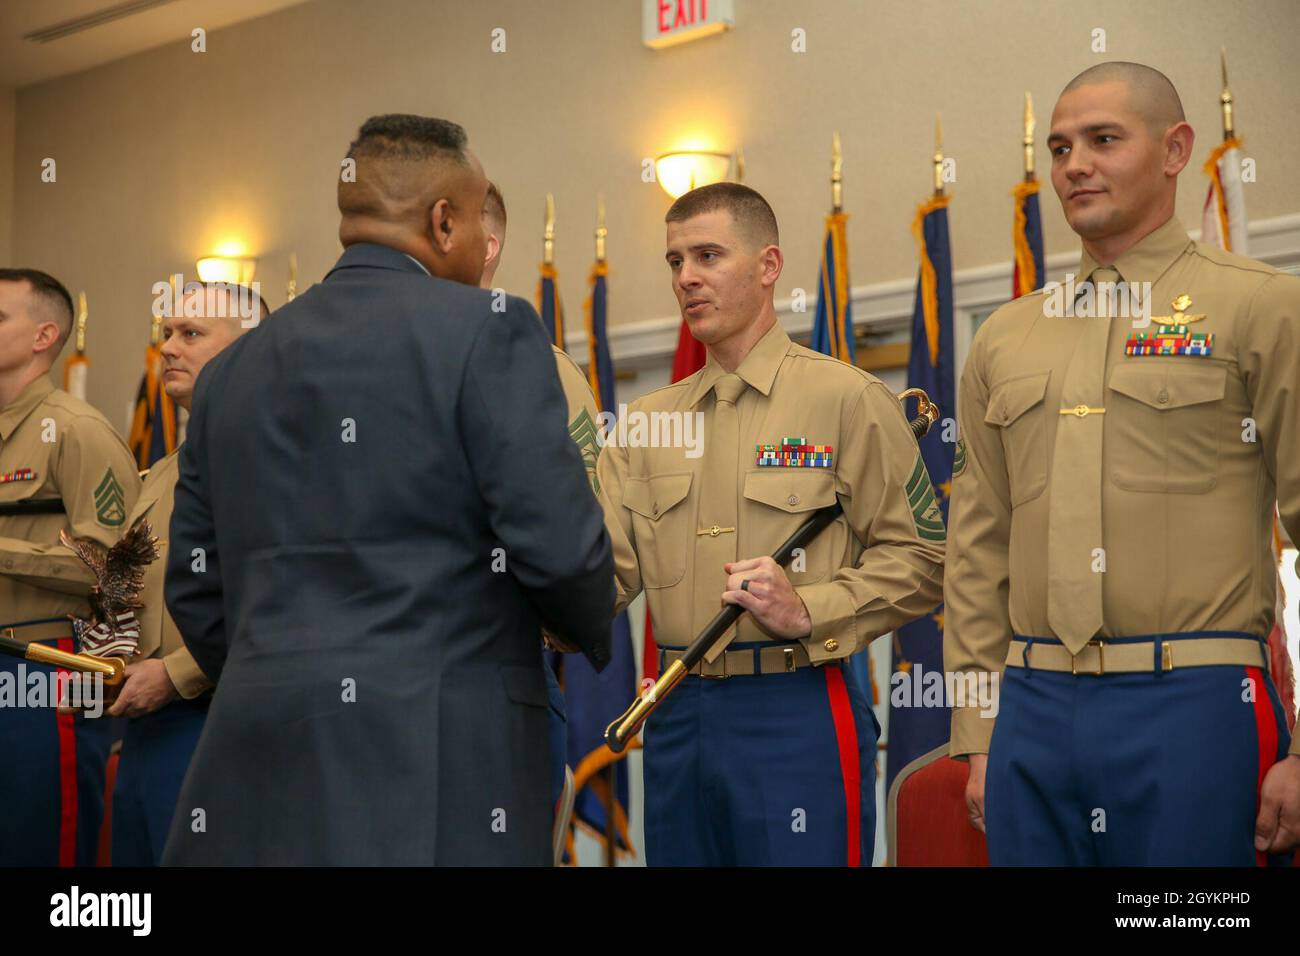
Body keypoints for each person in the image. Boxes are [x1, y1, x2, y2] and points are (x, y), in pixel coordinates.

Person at [160, 114, 613, 866]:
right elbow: (561, 547)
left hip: (256, 747)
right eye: (473, 223)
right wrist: (583, 624)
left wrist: (279, 668)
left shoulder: (231, 374)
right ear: (444, 221)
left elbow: (195, 585)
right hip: (435, 752)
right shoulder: (488, 330)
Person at [945, 61, 1300, 865]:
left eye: (1104, 140)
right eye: (1060, 147)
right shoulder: (1006, 336)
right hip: (1031, 706)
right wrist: (975, 730)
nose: (1075, 165)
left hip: (1195, 700)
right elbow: (976, 555)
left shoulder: (1262, 305)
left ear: (1176, 149)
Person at [596, 182, 946, 866]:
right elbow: (602, 577)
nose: (686, 277)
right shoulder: (643, 424)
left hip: (798, 705)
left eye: (707, 255)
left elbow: (925, 558)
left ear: (768, 266)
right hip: (677, 712)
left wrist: (810, 607)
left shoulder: (847, 399)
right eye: (674, 262)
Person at [107, 281, 267, 866]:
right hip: (144, 722)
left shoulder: (269, 459)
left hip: (219, 720)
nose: (169, 347)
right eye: (167, 333)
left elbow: (275, 598)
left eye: (191, 334)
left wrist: (177, 675)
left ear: (249, 348)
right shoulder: (164, 471)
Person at [0, 267, 141, 865]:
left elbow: (116, 571)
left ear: (44, 335)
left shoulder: (76, 431)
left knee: (43, 842)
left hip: (49, 665)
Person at [481, 180, 598, 813]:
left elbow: (583, 522)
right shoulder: (362, 367)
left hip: (496, 675)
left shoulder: (538, 371)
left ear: (484, 245)